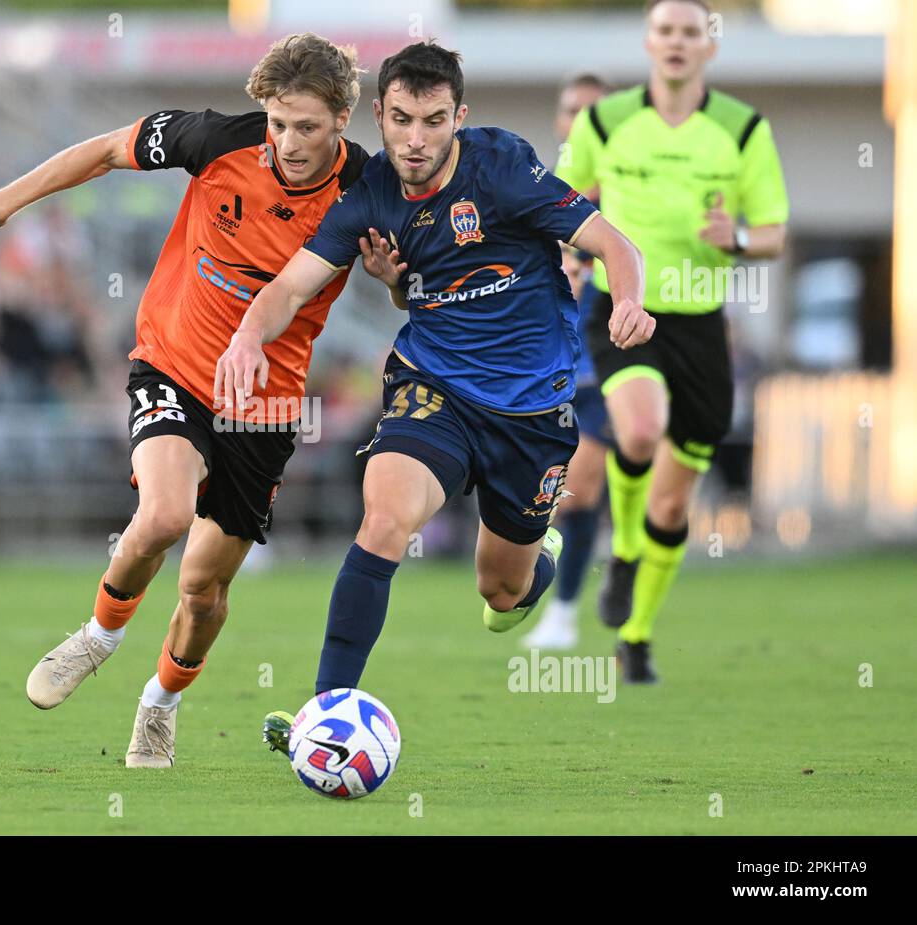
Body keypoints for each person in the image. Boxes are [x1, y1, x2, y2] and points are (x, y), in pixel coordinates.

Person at [210, 42, 649, 754]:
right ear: (378, 115)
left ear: (459, 118)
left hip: (533, 410)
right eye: (403, 120)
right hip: (433, 386)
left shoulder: (504, 167)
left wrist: (630, 299)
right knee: (384, 517)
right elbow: (289, 286)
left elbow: (615, 244)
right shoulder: (371, 197)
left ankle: (538, 561)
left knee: (501, 594)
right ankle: (324, 714)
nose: (416, 140)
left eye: (435, 121)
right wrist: (246, 339)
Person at [0, 34, 372, 767]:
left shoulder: (365, 189)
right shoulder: (215, 139)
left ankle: (160, 704)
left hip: (266, 402)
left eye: (307, 126)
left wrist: (395, 276)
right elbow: (107, 149)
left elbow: (402, 282)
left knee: (204, 592)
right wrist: (3, 202)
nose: (289, 141)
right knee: (165, 512)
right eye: (278, 123)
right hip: (173, 364)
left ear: (342, 117)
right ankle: (97, 636)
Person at [557, 0, 788, 681]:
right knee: (637, 430)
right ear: (649, 43)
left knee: (673, 502)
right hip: (626, 308)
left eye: (692, 32)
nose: (678, 42)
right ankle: (622, 550)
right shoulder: (605, 120)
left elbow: (775, 231)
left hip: (701, 324)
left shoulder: (743, 130)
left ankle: (636, 634)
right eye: (666, 31)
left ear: (708, 47)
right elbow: (564, 204)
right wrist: (571, 260)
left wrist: (737, 238)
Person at [521, 72, 611, 651]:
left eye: (594, 113)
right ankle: (539, 578)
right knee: (542, 495)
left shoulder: (629, 199)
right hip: (540, 367)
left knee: (585, 482)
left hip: (606, 370)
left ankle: (566, 611)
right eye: (572, 110)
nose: (580, 120)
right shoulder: (535, 191)